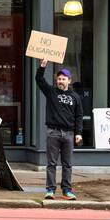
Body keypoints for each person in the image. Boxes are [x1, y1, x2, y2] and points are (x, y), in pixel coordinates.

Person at [36, 59, 83, 200]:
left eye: (64, 79)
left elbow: (79, 115)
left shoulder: (75, 97)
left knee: (67, 164)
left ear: (69, 81)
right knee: (51, 163)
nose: (61, 81)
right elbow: (39, 79)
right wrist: (43, 66)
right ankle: (50, 190)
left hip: (69, 133)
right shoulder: (51, 92)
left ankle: (67, 191)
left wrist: (78, 133)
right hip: (53, 132)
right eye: (59, 78)